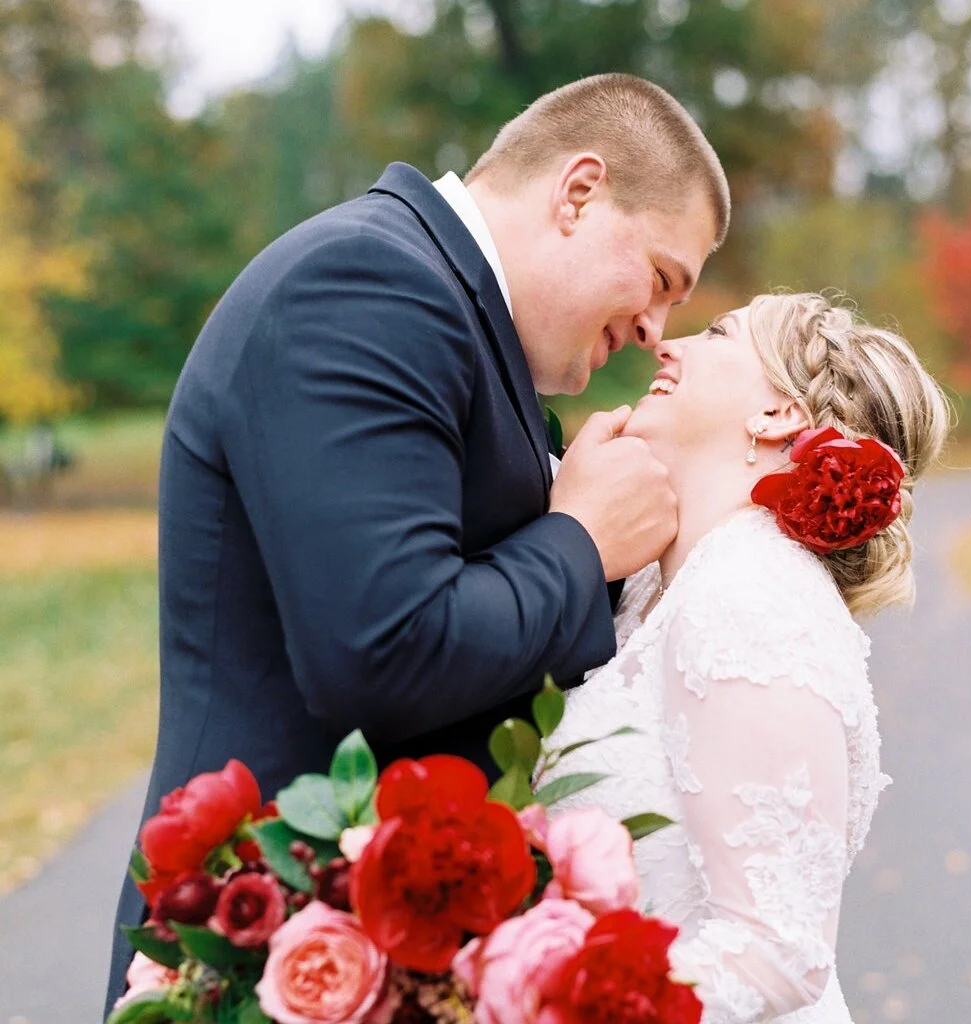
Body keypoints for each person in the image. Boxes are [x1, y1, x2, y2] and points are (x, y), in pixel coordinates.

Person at [104, 74, 731, 1012]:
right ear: (578, 192)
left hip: (388, 943)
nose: (653, 328)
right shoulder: (366, 286)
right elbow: (383, 648)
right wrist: (581, 538)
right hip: (263, 940)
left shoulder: (456, 320)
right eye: (662, 278)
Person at [540, 292, 950, 1022]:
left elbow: (777, 950)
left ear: (776, 415)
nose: (669, 345)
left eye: (719, 332)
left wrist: (551, 1005)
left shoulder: (754, 592)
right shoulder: (653, 586)